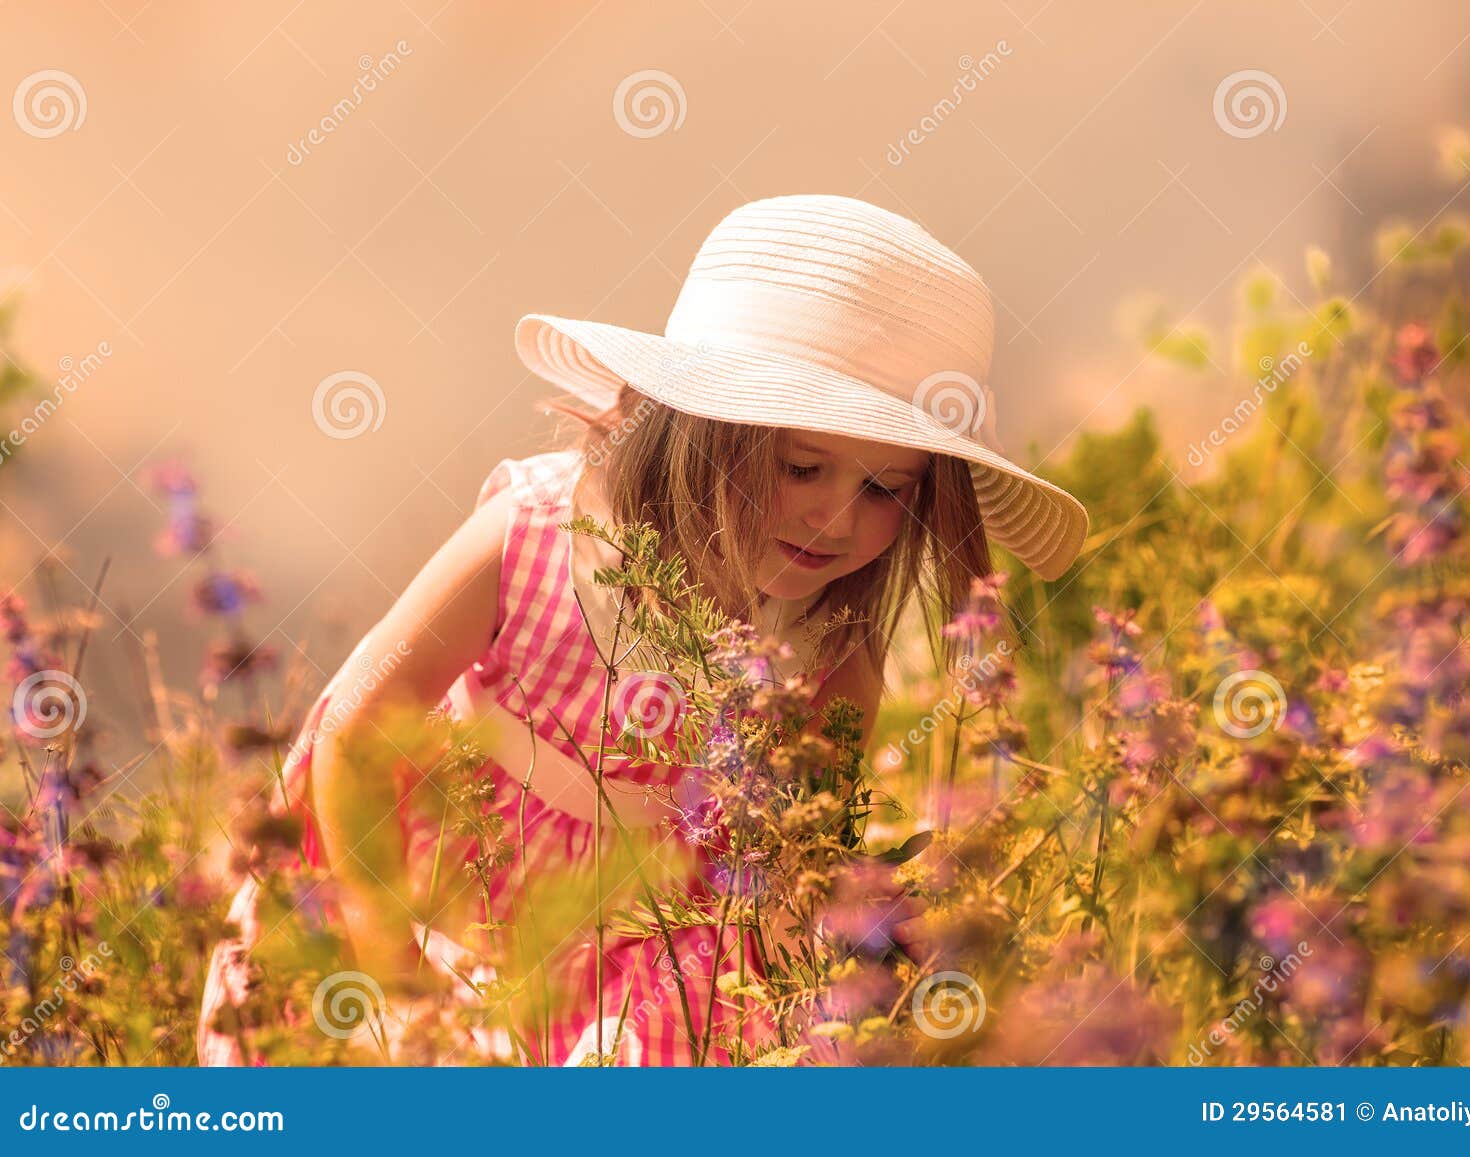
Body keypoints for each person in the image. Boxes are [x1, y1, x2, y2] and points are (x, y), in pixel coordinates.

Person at [196, 193, 1089, 1066]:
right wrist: (391, 972)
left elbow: (794, 859)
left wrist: (856, 935)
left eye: (886, 489)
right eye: (802, 466)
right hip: (441, 890)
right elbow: (363, 719)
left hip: (657, 956)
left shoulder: (827, 646)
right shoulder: (540, 532)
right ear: (694, 431)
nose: (835, 518)